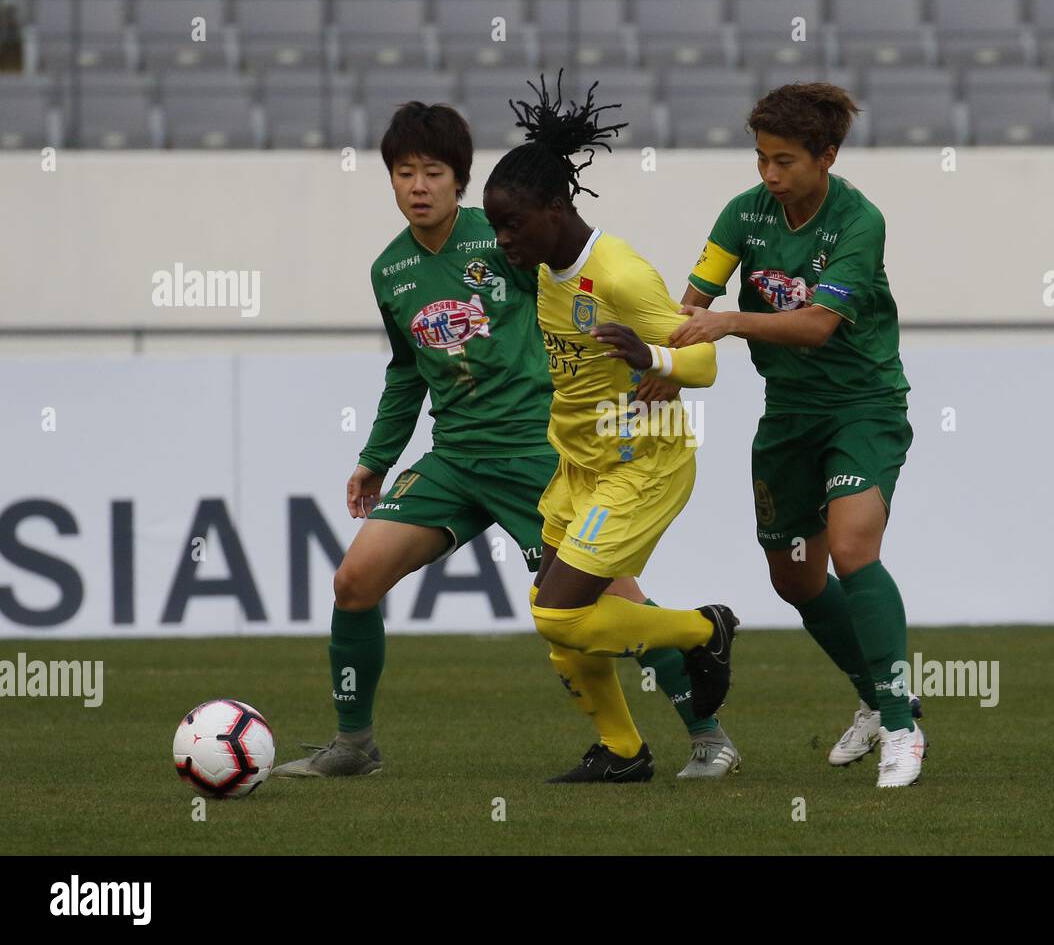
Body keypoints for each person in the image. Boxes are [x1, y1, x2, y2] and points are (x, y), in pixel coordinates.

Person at [273, 101, 739, 781]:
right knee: (354, 581)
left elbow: (582, 289)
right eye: (405, 172)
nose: (419, 186)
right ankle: (354, 744)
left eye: (434, 171)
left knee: (610, 606)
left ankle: (709, 735)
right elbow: (407, 370)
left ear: (459, 179)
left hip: (538, 452)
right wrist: (376, 457)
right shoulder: (389, 271)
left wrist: (653, 363)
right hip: (456, 458)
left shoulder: (505, 237)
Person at [667, 82, 926, 787]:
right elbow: (692, 303)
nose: (770, 176)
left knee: (850, 547)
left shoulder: (858, 222)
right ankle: (874, 696)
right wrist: (664, 361)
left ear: (827, 155)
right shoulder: (744, 214)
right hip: (787, 416)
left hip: (862, 407)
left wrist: (726, 323)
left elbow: (814, 325)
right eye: (761, 160)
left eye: (784, 161)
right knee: (795, 578)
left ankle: (903, 727)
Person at [482, 74, 739, 784]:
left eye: (511, 226)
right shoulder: (542, 265)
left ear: (557, 208)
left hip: (643, 464)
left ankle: (702, 630)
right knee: (560, 626)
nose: (503, 241)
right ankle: (623, 754)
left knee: (560, 617)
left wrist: (654, 356)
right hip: (579, 467)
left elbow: (706, 359)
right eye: (496, 226)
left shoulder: (621, 275)